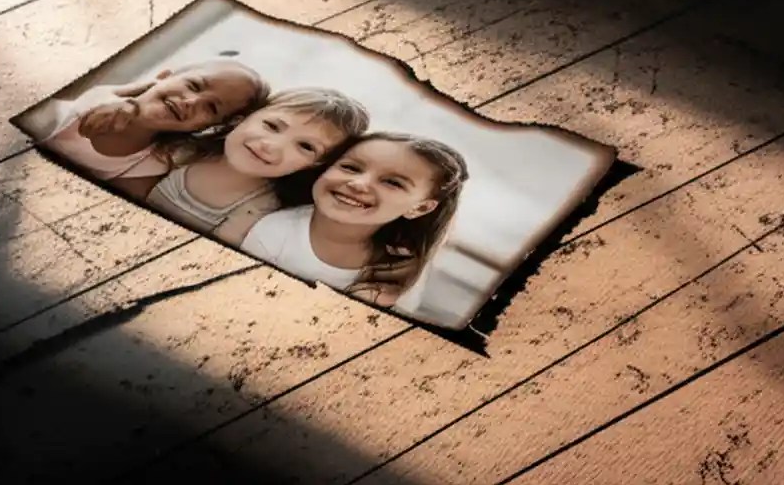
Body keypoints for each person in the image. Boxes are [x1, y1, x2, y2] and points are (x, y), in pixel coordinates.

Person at [240, 132, 468, 307]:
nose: (358, 184)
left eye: (392, 182)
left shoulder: (403, 267)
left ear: (420, 208)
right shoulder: (274, 232)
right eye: (350, 167)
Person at [130, 88, 370, 244]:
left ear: (314, 165)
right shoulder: (184, 152)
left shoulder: (260, 207)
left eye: (306, 147)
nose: (271, 147)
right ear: (243, 117)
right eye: (272, 126)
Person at [36, 58, 270, 184]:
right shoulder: (97, 97)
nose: (190, 101)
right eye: (194, 85)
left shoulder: (152, 163)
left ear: (208, 127)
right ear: (164, 76)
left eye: (210, 107)